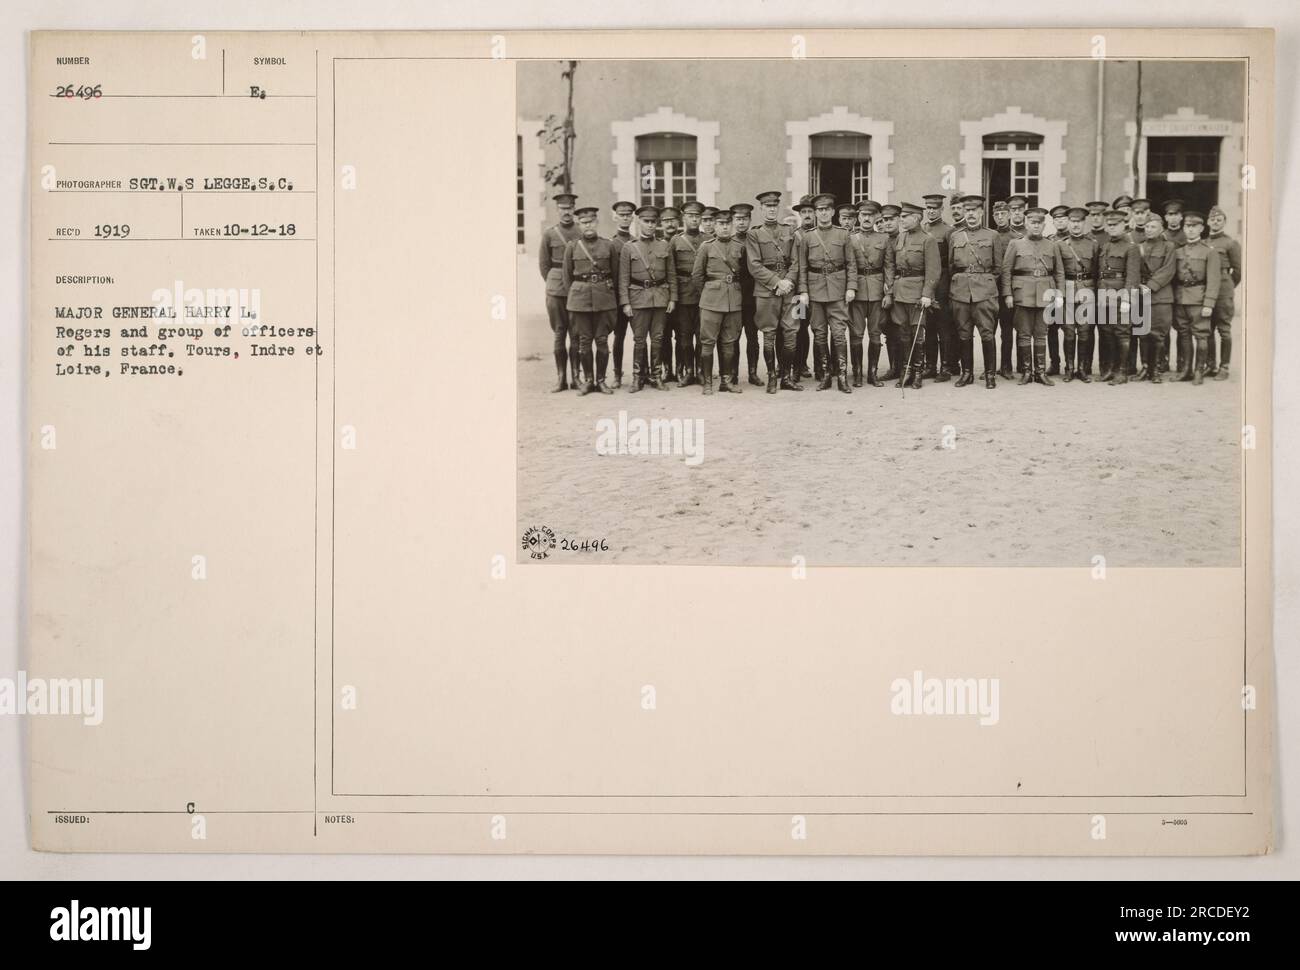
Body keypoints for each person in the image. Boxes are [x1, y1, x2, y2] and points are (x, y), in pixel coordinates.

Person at [798, 192, 858, 393]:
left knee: (839, 334)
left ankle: (841, 376)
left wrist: (851, 287)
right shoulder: (807, 237)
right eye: (819, 210)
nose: (823, 213)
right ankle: (825, 376)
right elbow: (802, 267)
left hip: (838, 289)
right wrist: (803, 291)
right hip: (814, 291)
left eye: (826, 210)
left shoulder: (843, 234)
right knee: (819, 334)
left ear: (833, 212)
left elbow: (851, 263)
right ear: (815, 213)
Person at [1000, 206, 1064, 386]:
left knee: (1041, 333)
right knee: (1024, 334)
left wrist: (1059, 295)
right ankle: (1027, 372)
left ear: (1044, 225)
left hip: (1045, 294)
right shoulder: (1015, 244)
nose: (1036, 226)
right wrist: (1008, 294)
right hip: (1022, 295)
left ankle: (1040, 372)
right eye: (1032, 223)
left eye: (1039, 223)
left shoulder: (1052, 245)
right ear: (1026, 224)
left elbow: (1059, 272)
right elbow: (1006, 271)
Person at [618, 205, 678, 391]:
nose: (650, 225)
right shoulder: (629, 248)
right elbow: (623, 278)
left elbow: (671, 275)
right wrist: (625, 302)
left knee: (658, 339)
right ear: (639, 222)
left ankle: (656, 376)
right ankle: (637, 378)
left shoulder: (663, 245)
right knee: (639, 340)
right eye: (646, 221)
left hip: (660, 298)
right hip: (638, 299)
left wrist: (673, 298)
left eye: (653, 222)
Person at [746, 190, 801, 393]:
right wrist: (777, 282)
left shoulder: (790, 232)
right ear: (761, 209)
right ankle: (771, 377)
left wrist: (788, 281)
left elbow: (797, 262)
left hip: (792, 291)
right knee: (768, 334)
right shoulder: (754, 234)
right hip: (766, 290)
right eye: (767, 206)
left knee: (792, 333)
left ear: (777, 208)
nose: (771, 210)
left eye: (774, 206)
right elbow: (754, 265)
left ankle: (786, 376)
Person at [561, 206, 618, 395]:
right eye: (584, 223)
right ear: (579, 224)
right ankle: (588, 381)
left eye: (592, 221)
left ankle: (601, 381)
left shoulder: (608, 245)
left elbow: (616, 275)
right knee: (584, 342)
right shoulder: (572, 246)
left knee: (602, 341)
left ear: (597, 222)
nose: (588, 225)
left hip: (604, 298)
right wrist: (577, 295)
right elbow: (567, 277)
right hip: (580, 300)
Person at [947, 194, 1001, 388]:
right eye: (967, 210)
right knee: (964, 334)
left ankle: (990, 375)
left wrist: (984, 283)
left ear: (981, 212)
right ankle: (967, 373)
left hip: (984, 292)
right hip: (960, 292)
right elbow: (952, 265)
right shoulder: (955, 236)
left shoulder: (992, 235)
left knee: (987, 334)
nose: (970, 214)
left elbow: (998, 268)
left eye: (974, 211)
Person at [690, 208, 746, 394]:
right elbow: (697, 276)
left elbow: (744, 275)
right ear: (714, 225)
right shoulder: (706, 247)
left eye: (727, 224)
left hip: (734, 300)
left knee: (729, 342)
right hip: (711, 302)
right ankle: (707, 383)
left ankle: (726, 381)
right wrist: (708, 292)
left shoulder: (739, 246)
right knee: (707, 342)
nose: (724, 227)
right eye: (721, 224)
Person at [890, 202, 939, 389]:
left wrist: (927, 294)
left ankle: (918, 371)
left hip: (918, 293)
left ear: (917, 218)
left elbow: (933, 270)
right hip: (900, 292)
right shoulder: (900, 238)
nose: (901, 220)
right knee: (902, 333)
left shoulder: (928, 239)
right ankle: (906, 370)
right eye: (901, 217)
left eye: (905, 217)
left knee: (917, 334)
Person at [848, 199, 894, 387]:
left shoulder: (884, 239)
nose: (867, 218)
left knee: (875, 334)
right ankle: (857, 373)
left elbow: (889, 266)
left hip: (877, 292)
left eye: (870, 215)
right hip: (857, 292)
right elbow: (847, 266)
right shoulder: (850, 238)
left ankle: (872, 374)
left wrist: (889, 292)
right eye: (863, 215)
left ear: (876, 217)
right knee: (856, 334)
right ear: (858, 217)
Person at [1172, 210, 1222, 385]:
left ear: (1202, 228)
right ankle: (1186, 370)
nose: (1190, 230)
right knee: (1184, 334)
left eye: (1194, 227)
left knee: (1201, 335)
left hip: (1199, 300)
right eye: (1187, 226)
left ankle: (1199, 370)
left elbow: (1214, 281)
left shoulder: (1209, 252)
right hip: (1180, 299)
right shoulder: (1178, 251)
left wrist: (1209, 303)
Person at [538, 191, 581, 391]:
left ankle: (576, 378)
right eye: (563, 209)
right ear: (557, 210)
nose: (567, 212)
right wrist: (555, 282)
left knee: (576, 334)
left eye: (570, 208)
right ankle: (561, 378)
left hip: (576, 289)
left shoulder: (581, 232)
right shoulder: (549, 234)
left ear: (574, 209)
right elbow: (544, 265)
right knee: (559, 333)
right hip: (555, 290)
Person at [1056, 206, 1101, 382]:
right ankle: (1069, 368)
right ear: (1068, 222)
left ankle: (1082, 368)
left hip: (1087, 291)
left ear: (1084, 223)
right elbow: (1058, 272)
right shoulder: (1060, 245)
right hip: (1067, 291)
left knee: (1084, 332)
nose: (1076, 225)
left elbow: (1096, 272)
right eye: (1073, 222)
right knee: (1068, 332)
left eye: (1079, 222)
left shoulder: (1093, 245)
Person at [1096, 209, 1141, 384]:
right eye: (1110, 225)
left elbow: (1132, 277)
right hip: (1104, 294)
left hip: (1121, 295)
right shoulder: (1106, 246)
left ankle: (1122, 371)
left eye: (1116, 225)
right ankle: (1111, 369)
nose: (1112, 228)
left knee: (1122, 332)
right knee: (1107, 332)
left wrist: (1127, 300)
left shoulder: (1131, 247)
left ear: (1124, 225)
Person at [1134, 211, 1176, 384]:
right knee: (1143, 333)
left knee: (1158, 334)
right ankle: (1144, 367)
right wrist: (1139, 286)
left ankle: (1156, 369)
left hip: (1161, 296)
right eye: (1147, 227)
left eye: (1153, 227)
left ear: (1161, 229)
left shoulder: (1169, 247)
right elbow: (1133, 269)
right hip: (1141, 294)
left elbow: (1168, 270)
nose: (1149, 230)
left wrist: (1150, 286)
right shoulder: (1138, 247)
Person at [669, 201, 706, 386]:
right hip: (683, 296)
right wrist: (673, 298)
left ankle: (700, 371)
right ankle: (688, 371)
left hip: (703, 296)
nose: (694, 219)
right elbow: (671, 272)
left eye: (697, 216)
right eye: (690, 216)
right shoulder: (675, 241)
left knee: (701, 336)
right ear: (684, 218)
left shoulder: (708, 239)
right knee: (684, 337)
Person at [920, 193, 955, 381]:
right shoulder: (922, 229)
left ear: (942, 209)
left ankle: (946, 368)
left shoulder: (948, 231)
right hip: (926, 284)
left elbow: (951, 262)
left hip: (942, 284)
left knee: (944, 328)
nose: (931, 211)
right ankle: (930, 366)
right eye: (928, 208)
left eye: (935, 208)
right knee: (929, 327)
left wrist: (946, 287)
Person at [1205, 204, 1242, 380]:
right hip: (1207, 290)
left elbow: (1238, 271)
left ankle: (1224, 367)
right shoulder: (1204, 242)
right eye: (1212, 219)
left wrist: (1227, 287)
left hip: (1224, 289)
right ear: (1207, 222)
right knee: (1208, 329)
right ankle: (1210, 364)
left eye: (1219, 220)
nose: (1215, 223)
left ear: (1224, 222)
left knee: (1224, 330)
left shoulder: (1230, 243)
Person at [730, 202, 763, 387]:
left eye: (745, 219)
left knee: (753, 336)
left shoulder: (755, 239)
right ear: (733, 221)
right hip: (734, 295)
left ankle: (753, 373)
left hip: (753, 295)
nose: (741, 223)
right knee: (733, 336)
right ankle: (733, 374)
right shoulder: (729, 241)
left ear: (750, 220)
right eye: (738, 219)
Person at [607, 200, 637, 387]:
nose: (625, 218)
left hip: (636, 296)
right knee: (619, 337)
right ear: (615, 216)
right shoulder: (611, 244)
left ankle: (642, 373)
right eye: (621, 214)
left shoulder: (636, 242)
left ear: (633, 217)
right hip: (618, 298)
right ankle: (617, 375)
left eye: (628, 215)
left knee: (640, 337)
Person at [877, 203, 903, 380]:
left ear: (899, 219)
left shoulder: (904, 238)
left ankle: (905, 368)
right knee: (888, 329)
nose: (887, 223)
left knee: (903, 329)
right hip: (883, 290)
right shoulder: (881, 240)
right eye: (883, 220)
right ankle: (894, 367)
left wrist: (891, 290)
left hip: (901, 289)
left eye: (891, 219)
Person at [658, 206, 682, 380]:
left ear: (678, 222)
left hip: (684, 295)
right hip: (664, 295)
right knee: (664, 335)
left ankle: (681, 370)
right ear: (661, 224)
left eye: (673, 220)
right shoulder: (658, 243)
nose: (670, 224)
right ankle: (668, 370)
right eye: (666, 221)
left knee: (682, 335)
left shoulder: (683, 241)